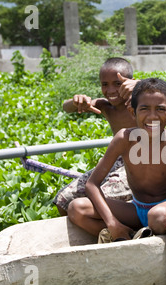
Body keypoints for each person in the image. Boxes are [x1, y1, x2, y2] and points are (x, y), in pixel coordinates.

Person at [69, 78, 166, 241]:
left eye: (160, 109)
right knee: (77, 208)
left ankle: (137, 236)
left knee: (157, 217)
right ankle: (127, 235)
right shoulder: (123, 138)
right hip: (137, 210)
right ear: (133, 112)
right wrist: (112, 223)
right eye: (144, 109)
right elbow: (92, 184)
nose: (152, 116)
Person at [53, 57, 138, 216]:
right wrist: (77, 101)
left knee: (99, 199)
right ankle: (93, 231)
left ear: (130, 81)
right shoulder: (105, 106)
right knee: (63, 200)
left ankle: (116, 231)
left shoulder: (145, 102)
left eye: (117, 83)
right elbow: (66, 107)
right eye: (105, 84)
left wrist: (141, 86)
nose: (111, 90)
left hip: (139, 161)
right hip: (116, 160)